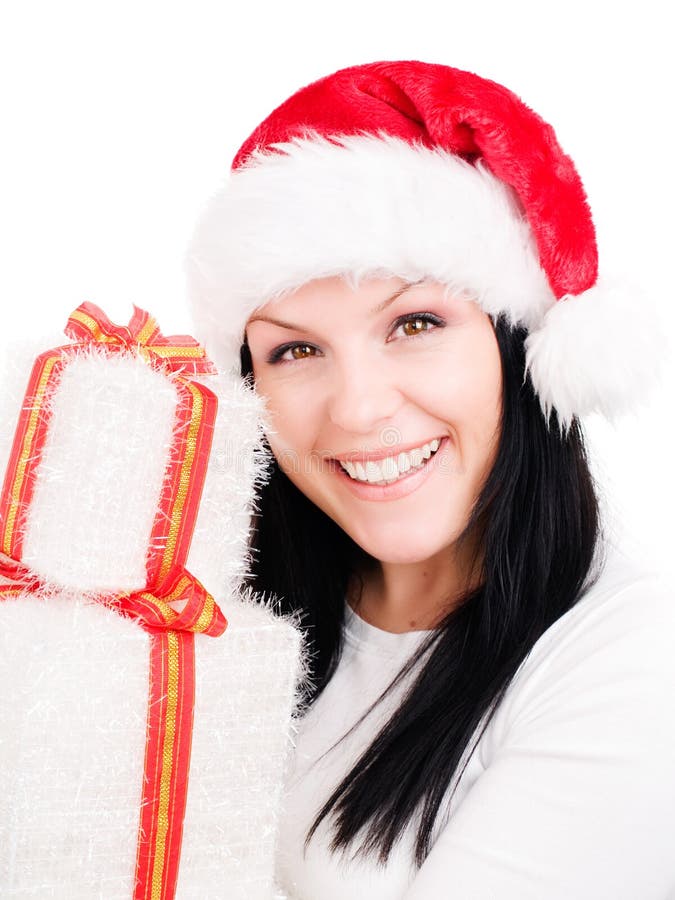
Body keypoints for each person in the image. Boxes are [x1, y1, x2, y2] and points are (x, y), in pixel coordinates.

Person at [185, 61, 675, 899]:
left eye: (415, 323)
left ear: (519, 354)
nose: (360, 409)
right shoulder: (231, 621)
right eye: (294, 350)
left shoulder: (632, 661)